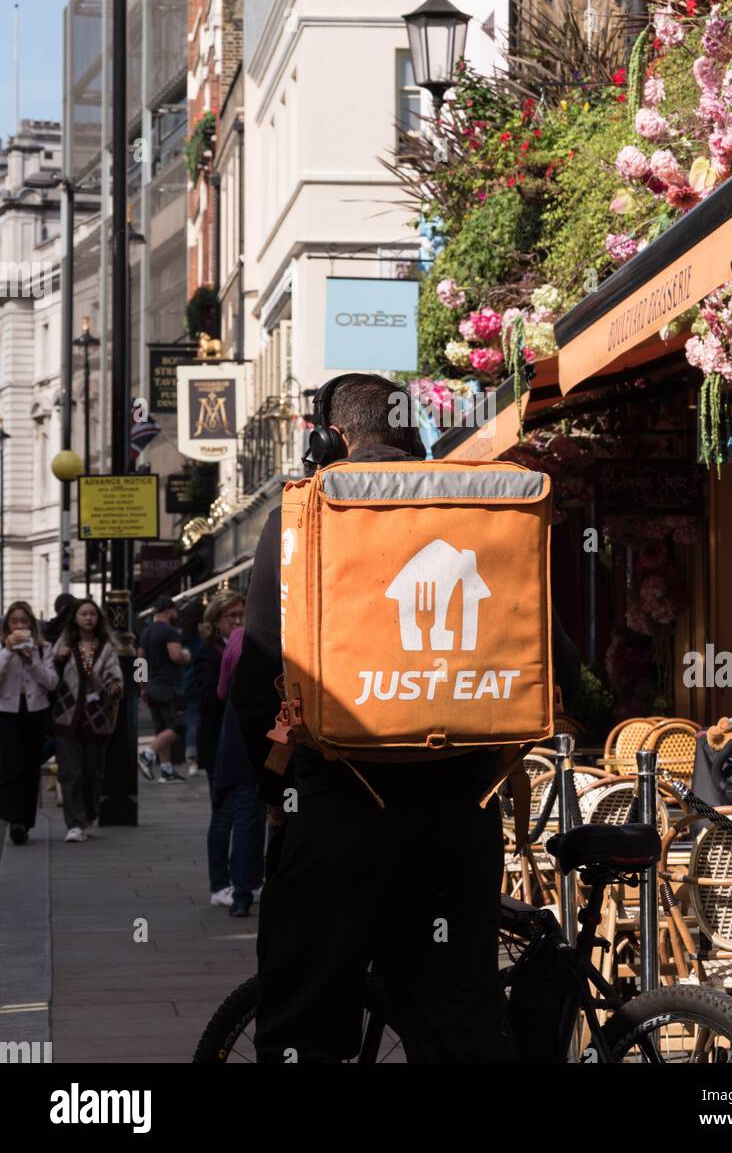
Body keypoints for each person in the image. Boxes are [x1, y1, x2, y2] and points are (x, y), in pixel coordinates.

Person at [232, 373, 580, 1063]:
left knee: (304, 1022)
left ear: (328, 439)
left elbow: (256, 674)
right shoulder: (476, 513)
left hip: (338, 809)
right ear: (411, 434)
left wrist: (277, 795)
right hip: (461, 818)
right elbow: (560, 666)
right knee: (458, 1024)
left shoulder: (308, 514)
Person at [50, 598, 123, 842]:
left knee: (93, 772)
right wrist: (59, 659)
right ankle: (74, 824)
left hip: (97, 718)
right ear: (75, 617)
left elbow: (118, 674)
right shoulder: (64, 643)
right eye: (84, 613)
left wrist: (122, 686)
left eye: (93, 614)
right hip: (67, 716)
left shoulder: (106, 647)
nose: (89, 618)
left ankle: (90, 815)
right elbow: (49, 675)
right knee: (71, 772)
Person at [191, 591, 248, 906]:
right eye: (231, 616)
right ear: (215, 621)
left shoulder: (240, 646)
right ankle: (219, 884)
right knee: (223, 814)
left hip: (238, 743)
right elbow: (209, 699)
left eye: (241, 614)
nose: (238, 621)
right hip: (217, 744)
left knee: (241, 815)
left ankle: (245, 878)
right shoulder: (208, 653)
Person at [211, 623, 266, 918]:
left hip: (238, 730)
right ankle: (247, 887)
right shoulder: (285, 631)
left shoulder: (237, 637)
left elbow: (222, 690)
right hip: (272, 730)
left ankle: (241, 891)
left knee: (239, 810)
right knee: (254, 814)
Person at [0, 600, 57, 844]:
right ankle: (15, 820)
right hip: (6, 711)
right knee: (11, 765)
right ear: (7, 625)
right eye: (15, 622)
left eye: (24, 621)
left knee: (31, 765)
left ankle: (25, 819)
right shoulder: (2, 648)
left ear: (31, 625)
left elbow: (52, 682)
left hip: (35, 711)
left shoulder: (44, 649)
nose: (19, 626)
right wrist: (7, 653)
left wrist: (31, 659)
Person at [136, 595, 191, 783]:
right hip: (168, 686)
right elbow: (175, 655)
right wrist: (186, 656)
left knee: (162, 729)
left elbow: (140, 660)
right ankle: (147, 754)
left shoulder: (146, 632)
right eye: (174, 611)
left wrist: (142, 687)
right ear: (169, 611)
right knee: (179, 725)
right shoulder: (170, 631)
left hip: (151, 687)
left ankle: (166, 770)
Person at [178, 601, 204, 778]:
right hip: (195, 684)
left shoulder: (179, 636)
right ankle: (193, 760)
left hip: (180, 684)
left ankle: (166, 764)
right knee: (192, 722)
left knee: (189, 721)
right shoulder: (200, 640)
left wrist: (141, 683)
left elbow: (141, 659)